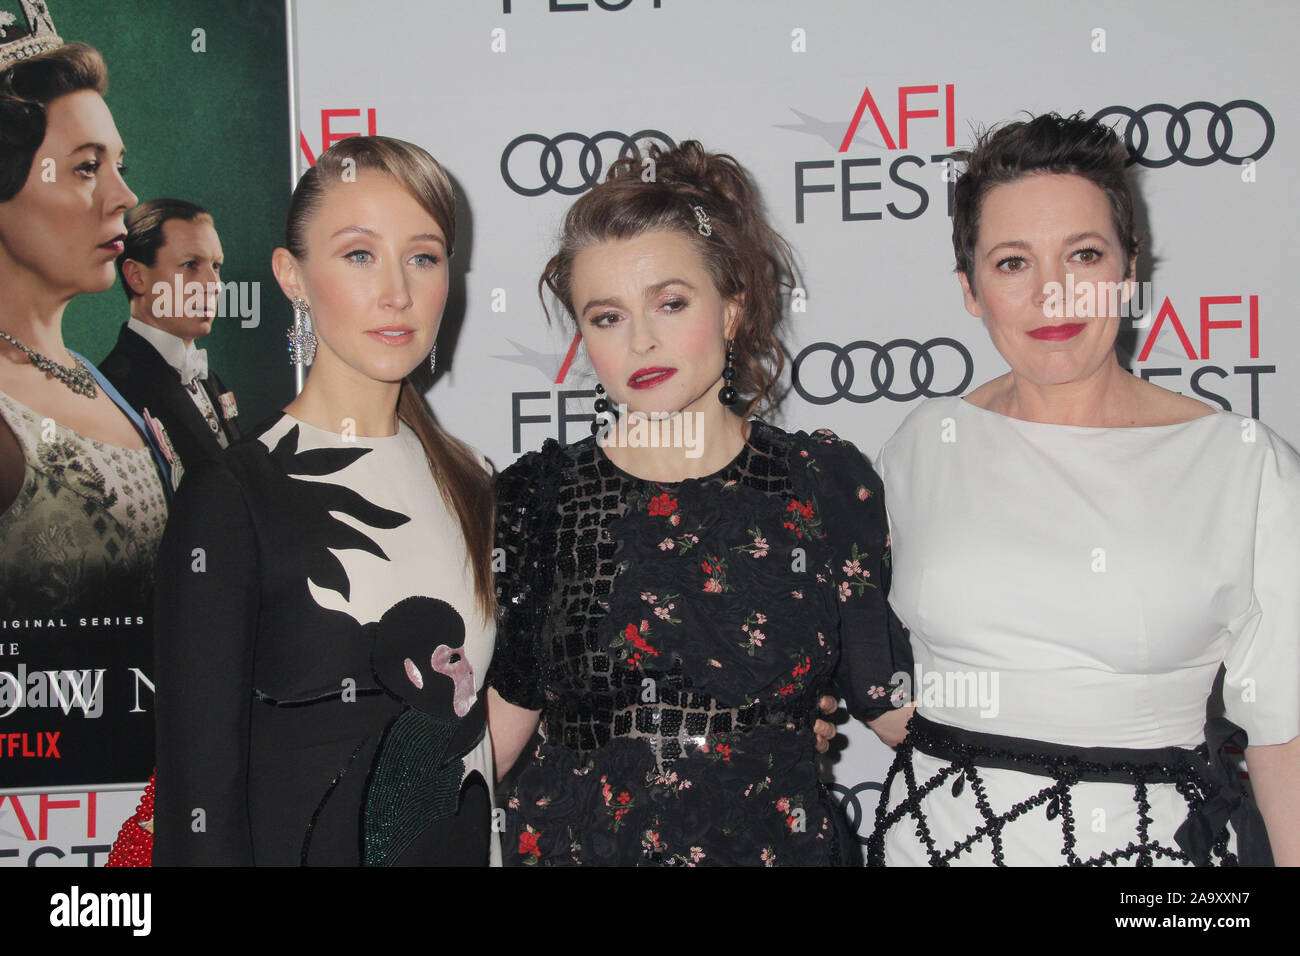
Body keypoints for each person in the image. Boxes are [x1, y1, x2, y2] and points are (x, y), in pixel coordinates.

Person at [868, 112, 1299, 866]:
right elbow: (855, 644)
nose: (1054, 294)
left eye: (1085, 255)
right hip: (933, 847)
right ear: (970, 290)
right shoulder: (922, 446)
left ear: (1129, 273)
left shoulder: (1240, 465)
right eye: (1012, 263)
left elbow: (1284, 733)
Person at [487, 141, 912, 866]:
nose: (642, 340)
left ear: (733, 309)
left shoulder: (821, 483)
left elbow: (895, 704)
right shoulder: (541, 499)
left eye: (671, 303)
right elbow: (495, 735)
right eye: (607, 317)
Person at [151, 136, 499, 865]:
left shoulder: (471, 481)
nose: (397, 291)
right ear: (292, 276)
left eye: (424, 256)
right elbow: (198, 802)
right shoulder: (233, 496)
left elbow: (483, 737)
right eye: (359, 255)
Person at [0, 42, 171, 799]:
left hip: (145, 809)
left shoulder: (99, 378)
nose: (123, 198)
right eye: (84, 168)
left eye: (117, 163)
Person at [100, 199, 241, 472]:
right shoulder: (114, 390)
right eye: (190, 265)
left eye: (216, 266)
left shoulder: (210, 381)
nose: (214, 284)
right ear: (137, 276)